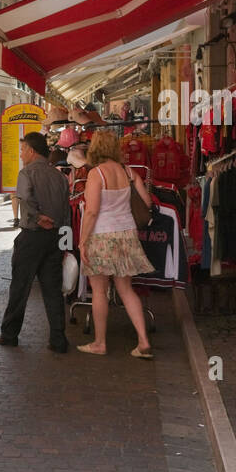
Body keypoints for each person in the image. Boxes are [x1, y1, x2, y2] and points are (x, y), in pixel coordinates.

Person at [76, 129, 155, 358]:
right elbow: (147, 202)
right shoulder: (129, 171)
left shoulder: (96, 174)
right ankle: (143, 341)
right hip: (127, 234)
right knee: (126, 290)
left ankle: (100, 343)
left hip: (101, 236)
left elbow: (91, 211)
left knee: (99, 291)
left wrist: (82, 242)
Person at [0, 133, 70, 353]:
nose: (20, 154)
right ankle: (58, 340)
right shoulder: (60, 177)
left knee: (20, 287)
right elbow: (66, 212)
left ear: (31, 151)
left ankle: (10, 335)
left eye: (22, 150)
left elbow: (25, 197)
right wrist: (65, 242)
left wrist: (37, 216)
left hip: (32, 236)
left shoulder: (26, 173)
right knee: (53, 290)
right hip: (55, 237)